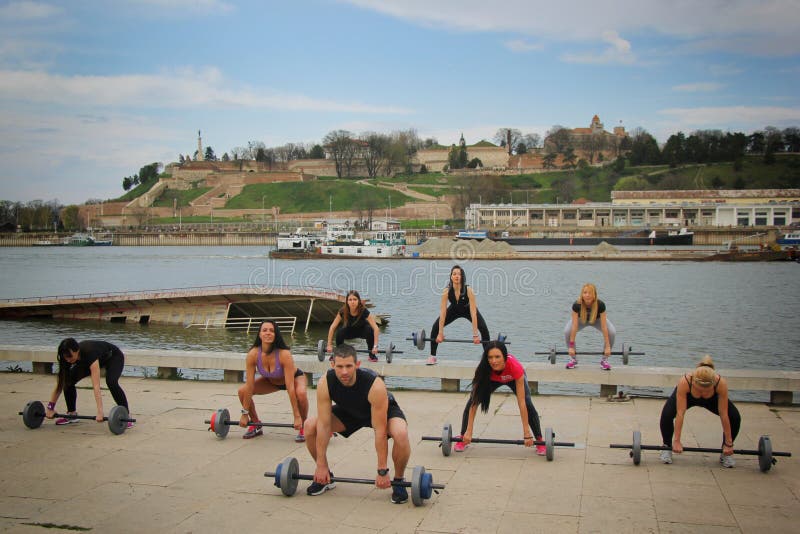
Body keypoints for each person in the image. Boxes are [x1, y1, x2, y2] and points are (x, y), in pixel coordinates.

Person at [303, 344, 411, 504]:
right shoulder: (325, 382)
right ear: (332, 364)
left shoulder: (374, 384)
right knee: (310, 426)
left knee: (401, 433)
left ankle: (399, 480)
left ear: (357, 365)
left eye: (349, 366)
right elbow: (324, 425)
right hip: (349, 412)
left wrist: (382, 471)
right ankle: (325, 477)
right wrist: (320, 465)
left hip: (382, 412)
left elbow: (380, 430)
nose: (344, 371)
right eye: (339, 366)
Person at [454, 341, 546, 455]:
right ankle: (462, 437)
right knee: (470, 403)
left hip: (513, 378)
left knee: (527, 403)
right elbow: (474, 403)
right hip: (492, 380)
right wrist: (469, 431)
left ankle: (540, 440)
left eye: (497, 357)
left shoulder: (515, 367)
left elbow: (521, 402)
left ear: (505, 357)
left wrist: (527, 434)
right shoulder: (483, 369)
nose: (494, 361)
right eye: (490, 357)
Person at [658, 355, 741, 468]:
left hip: (712, 400)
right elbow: (680, 413)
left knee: (735, 417)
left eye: (705, 389)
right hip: (689, 398)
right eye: (699, 388)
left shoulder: (721, 383)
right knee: (667, 414)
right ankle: (666, 447)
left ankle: (725, 452)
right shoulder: (685, 381)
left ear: (713, 383)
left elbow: (723, 414)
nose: (702, 391)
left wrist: (729, 443)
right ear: (694, 382)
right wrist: (676, 441)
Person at [238, 320, 309, 442]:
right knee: (242, 391)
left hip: (294, 379)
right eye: (264, 330)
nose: (268, 333)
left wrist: (296, 417)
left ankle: (304, 424)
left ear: (276, 334)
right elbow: (249, 385)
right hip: (271, 381)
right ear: (259, 334)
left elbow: (290, 387)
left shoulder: (284, 354)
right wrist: (244, 414)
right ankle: (256, 424)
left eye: (271, 330)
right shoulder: (253, 354)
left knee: (301, 394)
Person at [45, 338, 132, 428]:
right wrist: (50, 408)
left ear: (77, 350)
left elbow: (96, 385)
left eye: (69, 356)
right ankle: (72, 414)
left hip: (113, 357)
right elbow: (60, 384)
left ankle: (126, 415)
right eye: (65, 357)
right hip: (88, 361)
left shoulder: (90, 352)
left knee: (111, 382)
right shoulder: (66, 358)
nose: (67, 359)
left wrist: (100, 412)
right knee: (68, 381)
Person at [427, 264, 490, 365]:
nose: (456, 276)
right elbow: (443, 313)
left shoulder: (469, 290)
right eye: (454, 274)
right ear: (451, 276)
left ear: (462, 277)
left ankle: (488, 358)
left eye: (459, 274)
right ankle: (432, 356)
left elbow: (473, 313)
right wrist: (440, 333)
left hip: (468, 309)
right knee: (435, 327)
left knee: (484, 329)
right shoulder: (446, 291)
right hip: (454, 310)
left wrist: (475, 335)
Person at [564, 282, 616, 370]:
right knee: (567, 331)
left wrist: (607, 346)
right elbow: (574, 326)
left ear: (594, 295)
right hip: (581, 320)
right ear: (582, 294)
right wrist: (571, 347)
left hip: (597, 320)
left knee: (612, 332)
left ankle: (604, 360)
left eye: (590, 293)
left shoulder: (601, 305)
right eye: (585, 293)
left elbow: (604, 327)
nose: (587, 295)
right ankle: (573, 359)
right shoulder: (577, 305)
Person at [326, 290, 381, 362]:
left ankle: (371, 355)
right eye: (350, 300)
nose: (352, 302)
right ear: (347, 301)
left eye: (355, 299)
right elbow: (332, 327)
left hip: (362, 331)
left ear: (358, 301)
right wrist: (329, 344)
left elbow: (376, 328)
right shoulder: (343, 311)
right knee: (339, 332)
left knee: (370, 330)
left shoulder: (363, 310)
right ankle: (338, 354)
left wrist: (375, 346)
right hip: (349, 331)